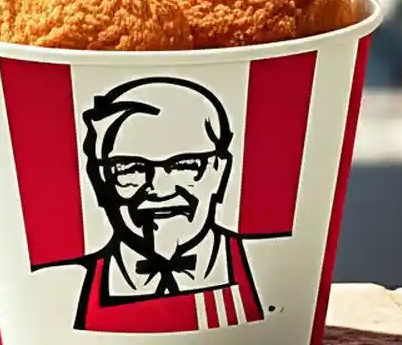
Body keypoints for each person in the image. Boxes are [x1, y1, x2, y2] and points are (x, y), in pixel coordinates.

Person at [67, 78, 263, 333]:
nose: (160, 189)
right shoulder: (66, 283)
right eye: (131, 168)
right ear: (100, 180)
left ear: (220, 171)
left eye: (185, 165)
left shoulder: (272, 268)